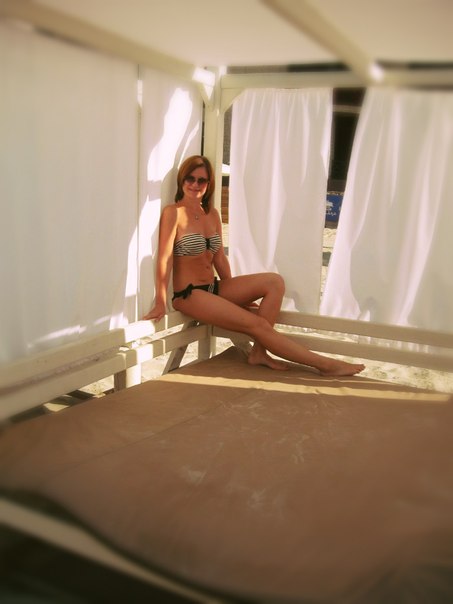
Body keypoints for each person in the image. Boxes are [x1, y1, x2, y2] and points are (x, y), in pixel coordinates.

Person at [143, 155, 365, 376]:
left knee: (274, 282)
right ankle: (325, 364)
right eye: (190, 178)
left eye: (201, 180)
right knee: (257, 325)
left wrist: (235, 295)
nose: (195, 184)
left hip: (214, 288)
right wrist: (161, 301)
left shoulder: (211, 214)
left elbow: (219, 258)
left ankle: (259, 352)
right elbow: (165, 259)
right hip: (190, 294)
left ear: (209, 184)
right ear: (182, 180)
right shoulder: (173, 213)